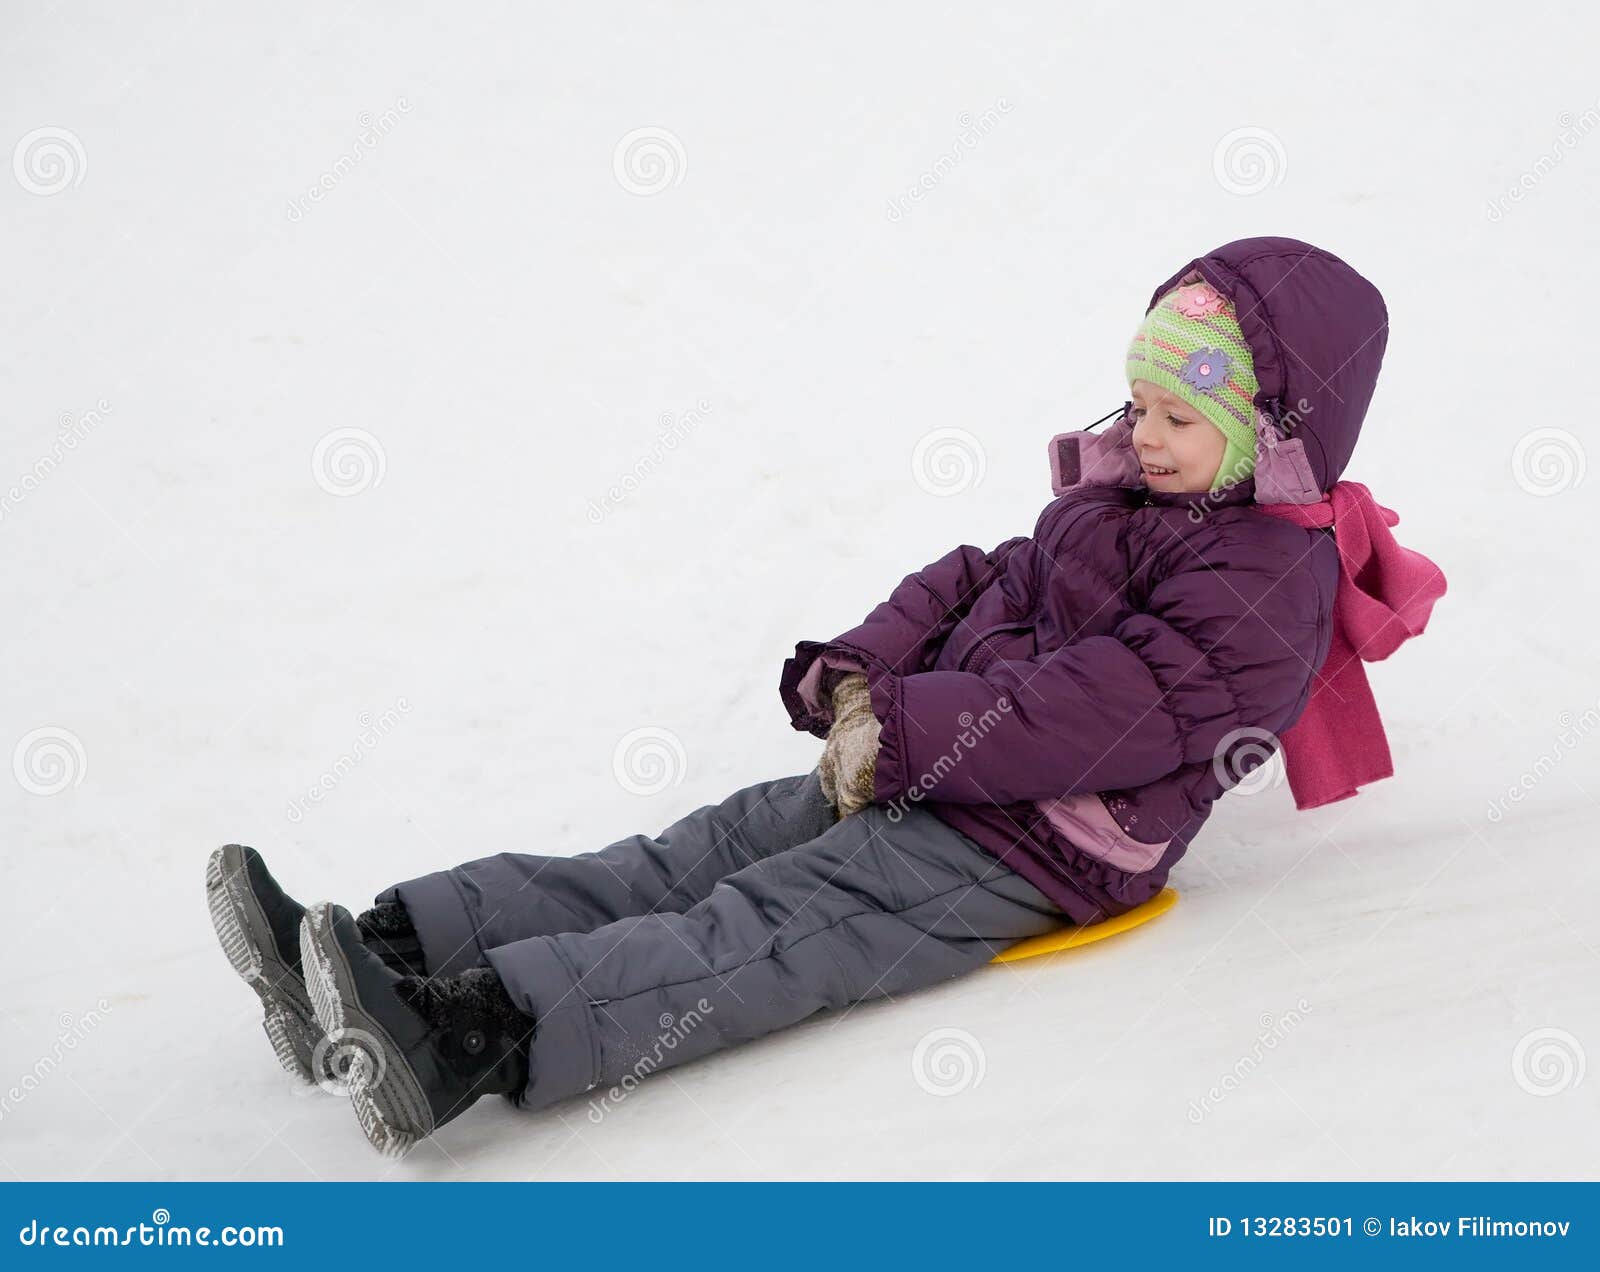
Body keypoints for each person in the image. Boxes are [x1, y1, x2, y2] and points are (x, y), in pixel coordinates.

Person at [206, 235, 1444, 1158]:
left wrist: (902, 734)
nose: (1150, 434)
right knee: (690, 851)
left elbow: (1110, 707)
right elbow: (989, 578)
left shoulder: (1260, 580)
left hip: (1044, 845)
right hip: (934, 765)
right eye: (1142, 403)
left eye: (1184, 415)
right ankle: (381, 951)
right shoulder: (1130, 501)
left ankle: (463, 1039)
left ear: (1278, 429)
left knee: (768, 923)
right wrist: (861, 670)